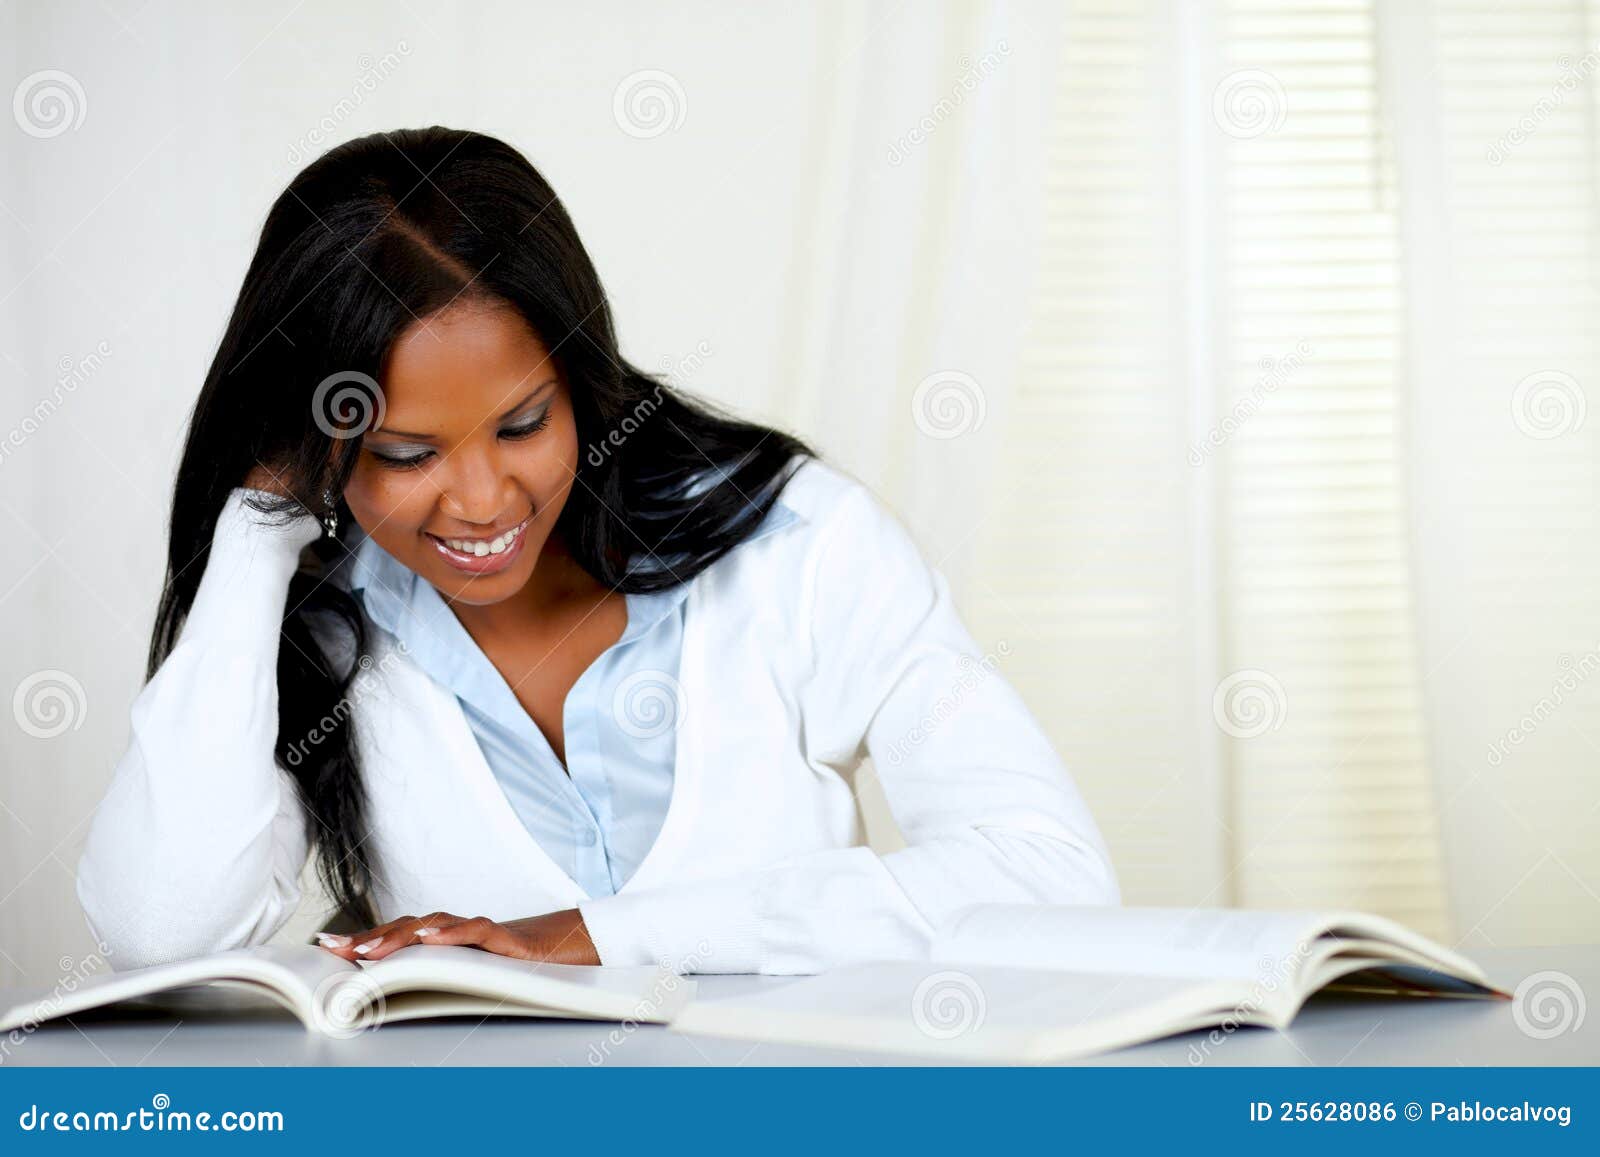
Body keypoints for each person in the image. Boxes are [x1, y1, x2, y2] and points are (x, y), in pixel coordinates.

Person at [75, 126, 1117, 976]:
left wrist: (585, 936)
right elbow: (158, 929)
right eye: (403, 451)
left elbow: (1047, 874)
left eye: (524, 424)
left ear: (582, 379)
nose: (482, 500)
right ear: (320, 441)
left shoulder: (795, 542)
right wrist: (258, 531)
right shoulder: (318, 623)